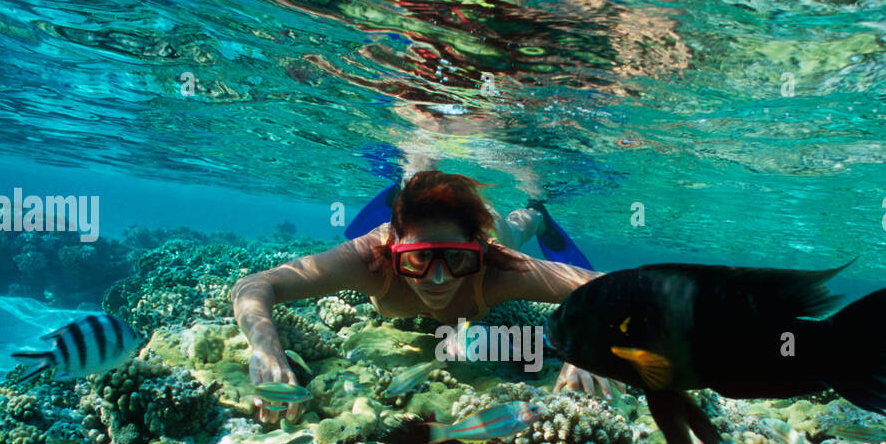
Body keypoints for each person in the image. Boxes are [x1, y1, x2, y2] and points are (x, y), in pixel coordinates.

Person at [232, 170, 616, 423]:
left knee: (516, 228)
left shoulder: (498, 266)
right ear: (393, 250)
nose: (436, 278)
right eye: (417, 259)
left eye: (456, 259)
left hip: (495, 229)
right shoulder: (369, 259)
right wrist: (266, 347)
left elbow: (611, 287)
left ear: (477, 252)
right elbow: (253, 285)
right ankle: (409, 181)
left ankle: (536, 214)